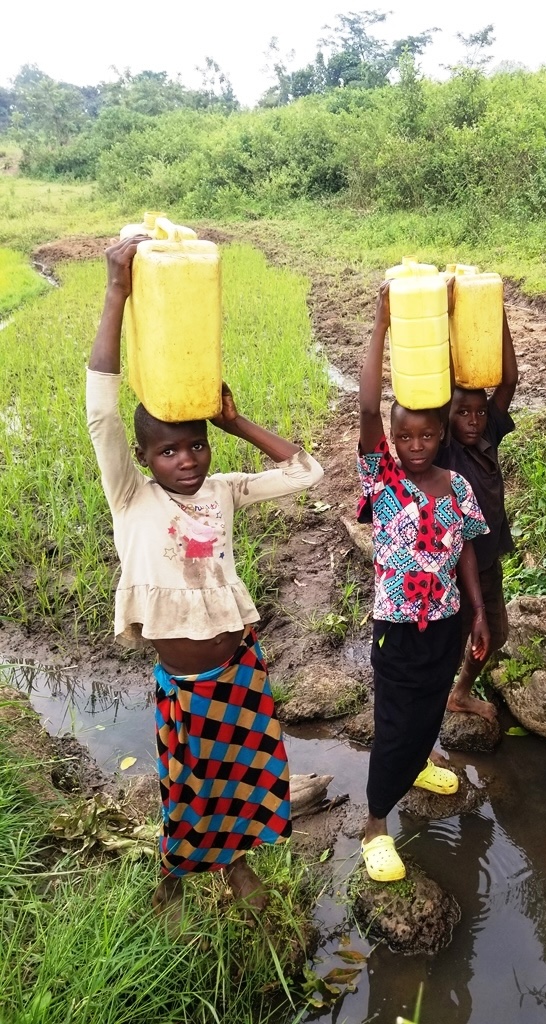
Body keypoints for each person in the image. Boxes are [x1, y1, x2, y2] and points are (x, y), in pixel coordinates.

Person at [86, 236, 324, 928]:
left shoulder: (220, 490)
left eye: (195, 445)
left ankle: (237, 863)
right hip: (183, 686)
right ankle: (177, 870)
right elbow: (102, 409)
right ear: (141, 458)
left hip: (238, 670)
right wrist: (115, 291)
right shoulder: (131, 497)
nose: (186, 460)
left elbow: (305, 471)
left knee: (244, 779)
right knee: (188, 787)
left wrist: (234, 418)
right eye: (168, 449)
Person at [356, 281, 490, 883]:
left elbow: (462, 549)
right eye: (404, 436)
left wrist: (479, 613)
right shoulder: (384, 480)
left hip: (447, 621)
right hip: (398, 626)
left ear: (441, 436)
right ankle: (374, 826)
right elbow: (364, 408)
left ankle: (421, 762)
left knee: (433, 703)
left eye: (426, 436)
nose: (414, 446)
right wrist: (382, 324)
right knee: (395, 720)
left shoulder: (456, 485)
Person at [434, 290, 518, 723]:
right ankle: (426, 726)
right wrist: (447, 318)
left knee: (494, 634)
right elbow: (435, 392)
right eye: (461, 412)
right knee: (448, 642)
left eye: (479, 413)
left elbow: (508, 381)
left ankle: (460, 694)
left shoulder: (489, 437)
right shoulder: (443, 448)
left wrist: (494, 310)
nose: (472, 420)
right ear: (445, 417)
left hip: (485, 562)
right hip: (449, 568)